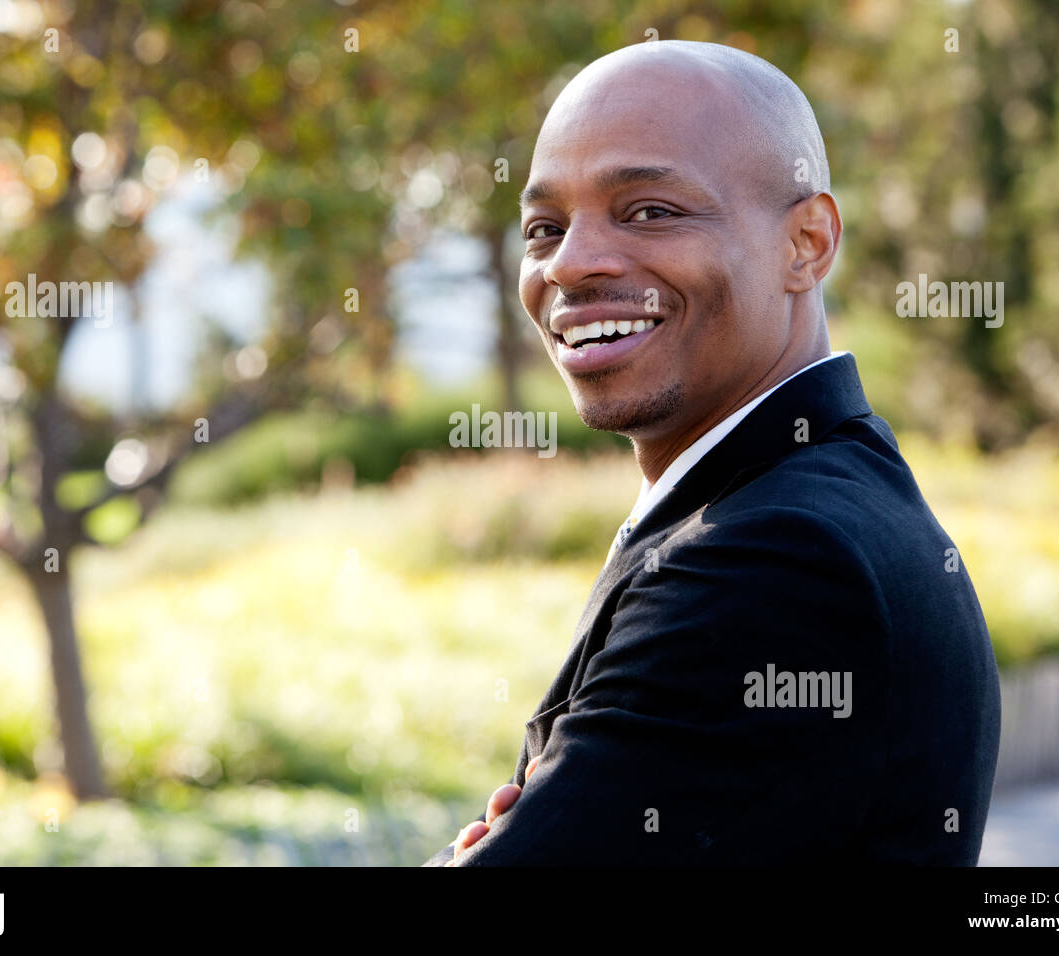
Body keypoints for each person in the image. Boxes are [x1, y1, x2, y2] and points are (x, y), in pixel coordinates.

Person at [423, 40, 1000, 866]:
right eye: (545, 227)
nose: (572, 263)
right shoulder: (811, 493)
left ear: (806, 243)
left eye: (650, 210)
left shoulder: (778, 559)